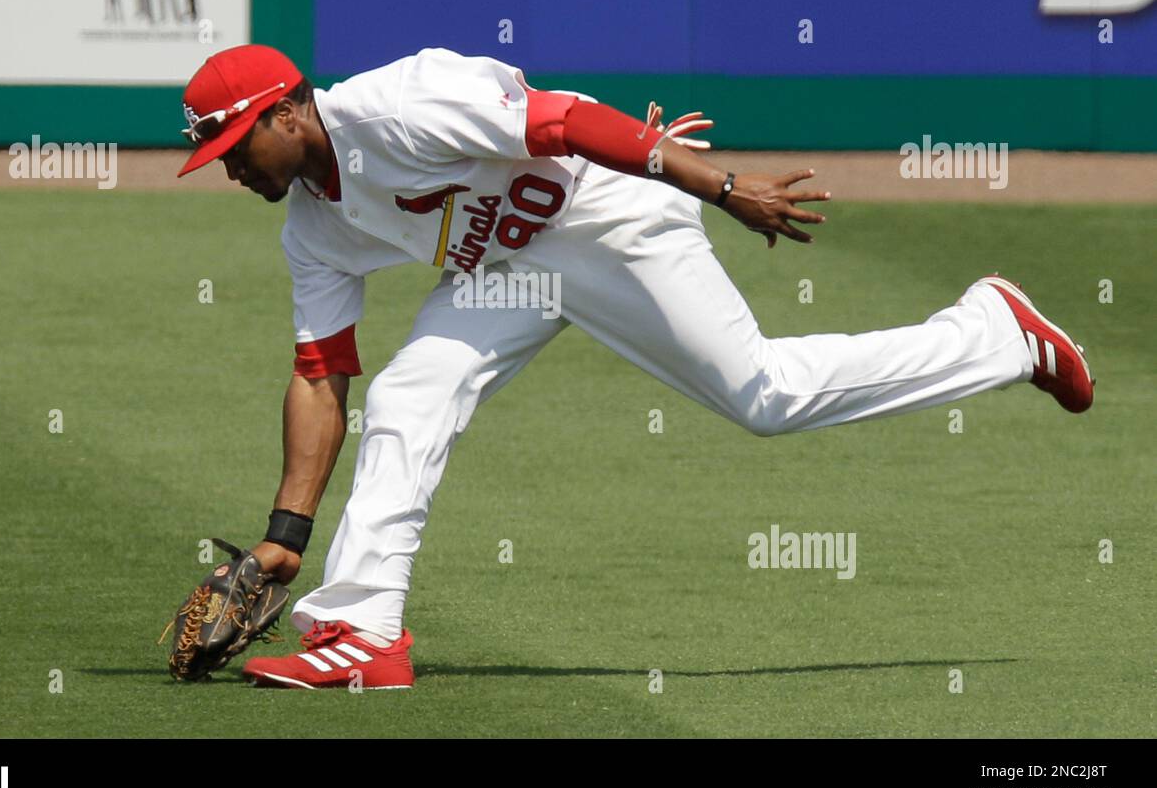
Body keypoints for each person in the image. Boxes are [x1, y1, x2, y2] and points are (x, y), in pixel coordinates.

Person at [172, 44, 1093, 690]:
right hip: (506, 273)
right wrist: (284, 536)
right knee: (412, 389)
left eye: (232, 144)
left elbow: (564, 118)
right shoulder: (312, 227)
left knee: (765, 395)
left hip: (607, 220)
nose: (227, 169)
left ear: (287, 112)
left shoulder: (397, 102)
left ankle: (996, 334)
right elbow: (321, 373)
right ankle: (360, 629)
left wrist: (718, 185)